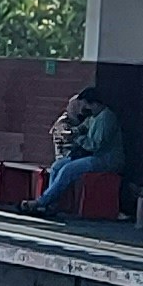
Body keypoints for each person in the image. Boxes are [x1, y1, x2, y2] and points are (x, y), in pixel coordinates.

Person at [28, 81, 125, 218]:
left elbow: (95, 145)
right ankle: (52, 204)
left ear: (94, 104)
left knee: (68, 170)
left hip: (105, 159)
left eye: (86, 105)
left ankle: (41, 202)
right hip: (92, 156)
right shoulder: (93, 117)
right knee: (57, 166)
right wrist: (69, 132)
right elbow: (81, 129)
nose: (84, 109)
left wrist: (76, 139)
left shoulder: (106, 119)